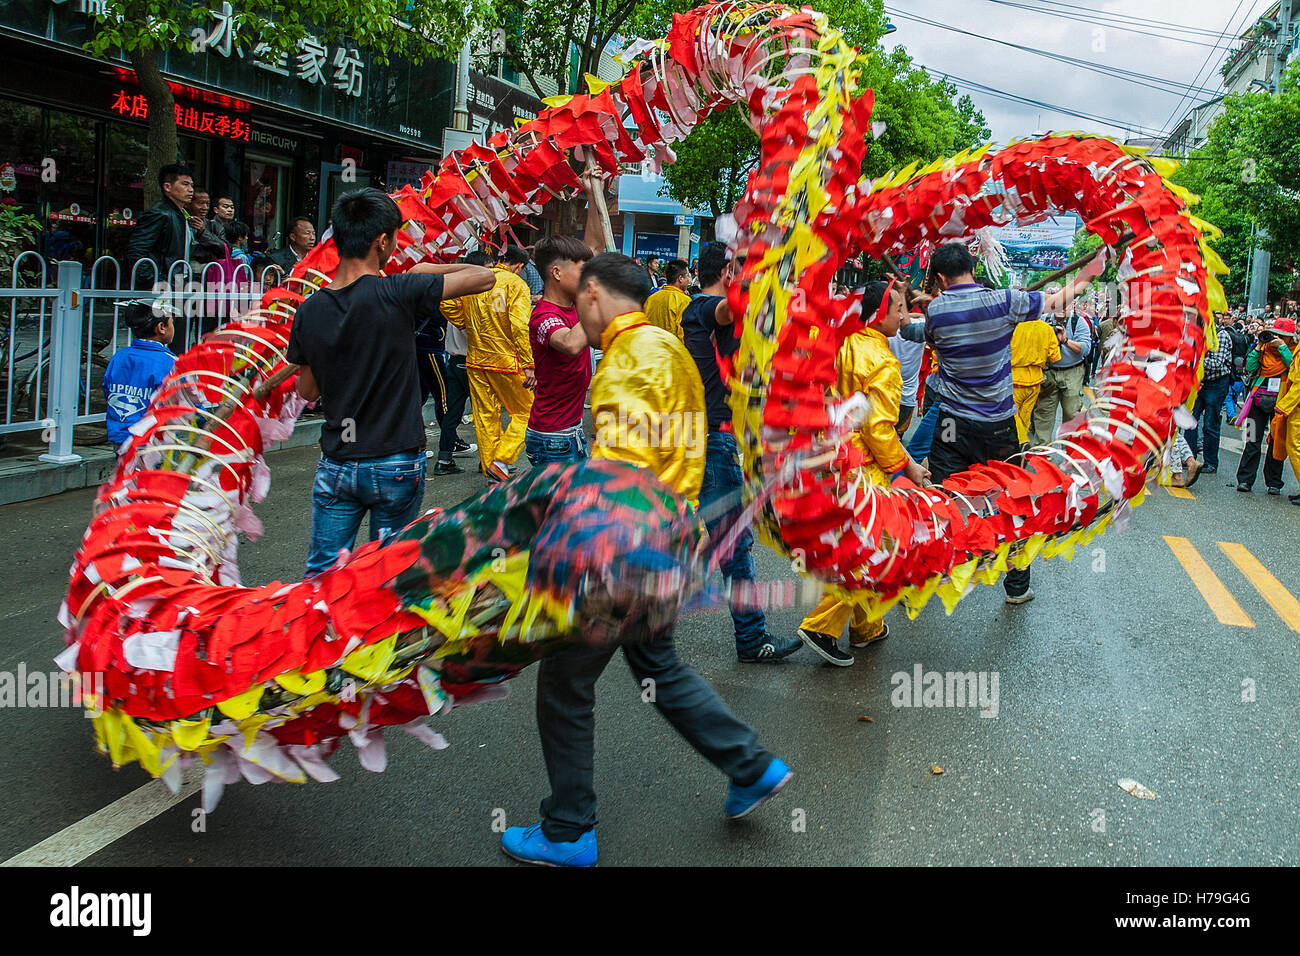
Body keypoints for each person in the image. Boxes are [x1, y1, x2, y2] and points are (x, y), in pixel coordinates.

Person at [500, 252, 792, 868]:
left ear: (598, 295)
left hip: (624, 549)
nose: (578, 311)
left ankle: (568, 828)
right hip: (670, 540)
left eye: (582, 298)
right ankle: (751, 765)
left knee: (565, 680)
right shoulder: (669, 349)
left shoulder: (625, 364)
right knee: (659, 665)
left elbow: (620, 476)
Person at [286, 188, 493, 577]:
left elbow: (308, 392)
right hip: (394, 461)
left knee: (321, 578)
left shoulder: (310, 310)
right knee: (390, 575)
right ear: (382, 241)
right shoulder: (398, 291)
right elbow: (483, 277)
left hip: (337, 462)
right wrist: (420, 271)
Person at [922, 242, 1098, 606]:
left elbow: (926, 333)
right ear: (973, 266)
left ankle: (937, 570)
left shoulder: (937, 311)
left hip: (953, 424)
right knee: (1012, 501)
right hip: (1000, 426)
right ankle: (1016, 586)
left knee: (945, 497)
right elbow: (1057, 299)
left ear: (940, 278)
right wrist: (1091, 271)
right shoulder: (1005, 302)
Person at [796, 280, 930, 666]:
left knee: (862, 542)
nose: (905, 316)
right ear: (880, 313)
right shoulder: (882, 361)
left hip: (827, 455)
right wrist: (908, 466)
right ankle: (822, 625)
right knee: (867, 547)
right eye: (900, 308)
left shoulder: (844, 341)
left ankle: (867, 626)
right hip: (860, 465)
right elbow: (878, 429)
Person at [684, 242, 801, 663]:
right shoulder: (701, 308)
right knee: (734, 545)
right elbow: (728, 311)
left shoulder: (720, 314)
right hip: (713, 442)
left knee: (716, 538)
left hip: (717, 439)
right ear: (728, 272)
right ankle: (752, 639)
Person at [442, 245, 535, 481]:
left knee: (485, 416)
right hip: (505, 360)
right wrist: (528, 363)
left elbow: (446, 303)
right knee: (528, 411)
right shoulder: (516, 284)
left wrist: (464, 322)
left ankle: (491, 467)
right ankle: (502, 460)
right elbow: (519, 326)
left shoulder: (477, 282)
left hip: (475, 360)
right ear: (520, 266)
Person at [525, 235, 594, 466]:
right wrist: (598, 302)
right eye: (583, 271)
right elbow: (570, 344)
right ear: (557, 273)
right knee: (561, 503)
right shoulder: (544, 316)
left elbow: (594, 244)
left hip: (571, 431)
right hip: (553, 438)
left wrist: (592, 200)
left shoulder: (574, 307)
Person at [101, 298, 178, 450]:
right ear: (161, 327)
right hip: (151, 440)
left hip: (120, 436)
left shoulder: (120, 356)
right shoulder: (170, 362)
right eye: (171, 322)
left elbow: (107, 388)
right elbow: (183, 399)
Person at [1236, 317, 1296, 495]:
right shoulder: (1263, 349)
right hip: (1257, 401)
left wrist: (1283, 348)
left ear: (1290, 338)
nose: (1277, 338)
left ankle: (1274, 482)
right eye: (1275, 334)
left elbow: (1293, 369)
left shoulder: (1293, 351)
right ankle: (1245, 480)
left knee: (1277, 442)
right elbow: (1251, 367)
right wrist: (1257, 347)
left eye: (1282, 336)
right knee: (1251, 440)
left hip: (1281, 403)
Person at [429, 273, 477, 476]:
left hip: (454, 362)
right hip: (471, 362)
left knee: (452, 413)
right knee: (485, 413)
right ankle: (490, 462)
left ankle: (444, 458)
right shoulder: (472, 305)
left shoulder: (452, 305)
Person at [1029, 302, 1093, 446]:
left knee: (1072, 413)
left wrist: (1065, 341)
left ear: (1072, 306)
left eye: (1066, 305)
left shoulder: (1078, 321)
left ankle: (1069, 453)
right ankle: (1041, 453)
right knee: (1043, 412)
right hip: (1048, 372)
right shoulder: (1043, 321)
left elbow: (1086, 349)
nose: (1062, 308)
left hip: (1072, 372)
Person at [125, 164, 196, 287]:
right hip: (162, 287)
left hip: (176, 284)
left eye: (191, 185)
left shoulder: (180, 215)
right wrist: (154, 282)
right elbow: (136, 251)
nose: (190, 189)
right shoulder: (159, 213)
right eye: (185, 184)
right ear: (167, 187)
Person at [1184, 311, 1235, 475]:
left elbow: (1216, 364)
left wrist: (1194, 358)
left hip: (1216, 383)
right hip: (1198, 382)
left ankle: (1211, 462)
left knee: (1211, 424)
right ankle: (1190, 459)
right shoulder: (1194, 334)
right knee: (1190, 421)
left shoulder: (1222, 335)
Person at [1009, 316, 1061, 444]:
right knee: (1025, 417)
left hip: (1014, 379)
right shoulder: (1047, 329)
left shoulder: (1011, 326)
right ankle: (1021, 443)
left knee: (1012, 416)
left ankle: (1021, 442)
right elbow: (1055, 357)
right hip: (1035, 381)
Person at [644, 257, 691, 340]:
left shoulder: (651, 298)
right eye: (687, 276)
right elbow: (683, 335)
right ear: (680, 278)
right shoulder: (684, 301)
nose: (689, 280)